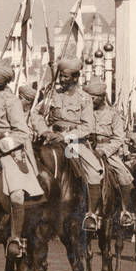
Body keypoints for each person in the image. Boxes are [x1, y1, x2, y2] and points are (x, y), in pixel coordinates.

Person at [0, 60, 43, 256]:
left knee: (16, 193)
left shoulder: (10, 100)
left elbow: (22, 133)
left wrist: (1, 145)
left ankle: (15, 238)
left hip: (10, 152)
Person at [43, 57, 105, 232]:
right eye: (61, 76)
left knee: (93, 174)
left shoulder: (85, 99)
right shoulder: (51, 95)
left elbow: (88, 127)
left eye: (66, 77)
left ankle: (91, 214)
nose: (62, 80)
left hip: (73, 144)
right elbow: (37, 115)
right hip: (49, 138)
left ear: (76, 77)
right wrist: (45, 131)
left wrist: (64, 137)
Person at [87, 78, 135, 226]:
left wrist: (104, 151)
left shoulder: (113, 115)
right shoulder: (84, 113)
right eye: (90, 97)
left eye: (95, 97)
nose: (92, 100)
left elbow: (119, 138)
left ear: (102, 97)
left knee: (124, 176)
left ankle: (125, 212)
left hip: (107, 151)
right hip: (86, 149)